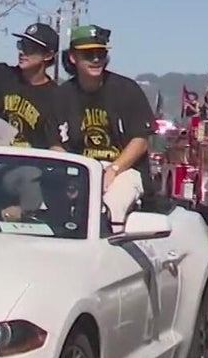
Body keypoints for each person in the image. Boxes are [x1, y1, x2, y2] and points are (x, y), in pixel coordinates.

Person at [51, 25, 155, 224]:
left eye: (101, 54)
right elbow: (55, 143)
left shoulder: (127, 89)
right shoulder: (62, 95)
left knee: (111, 204)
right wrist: (71, 174)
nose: (96, 59)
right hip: (80, 168)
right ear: (73, 58)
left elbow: (140, 140)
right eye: (89, 54)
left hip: (124, 169)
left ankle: (112, 246)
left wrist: (113, 170)